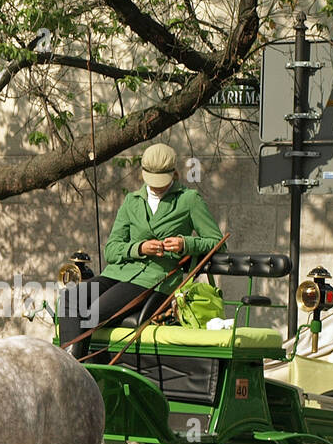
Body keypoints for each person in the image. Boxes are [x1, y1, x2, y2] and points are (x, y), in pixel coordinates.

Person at [58, 142, 224, 358]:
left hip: (155, 280)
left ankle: (78, 372)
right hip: (117, 273)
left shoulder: (189, 200)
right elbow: (111, 250)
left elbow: (217, 242)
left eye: (162, 182)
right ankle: (69, 367)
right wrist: (140, 248)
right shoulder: (132, 201)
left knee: (93, 313)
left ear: (174, 173)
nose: (156, 187)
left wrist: (186, 244)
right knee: (71, 298)